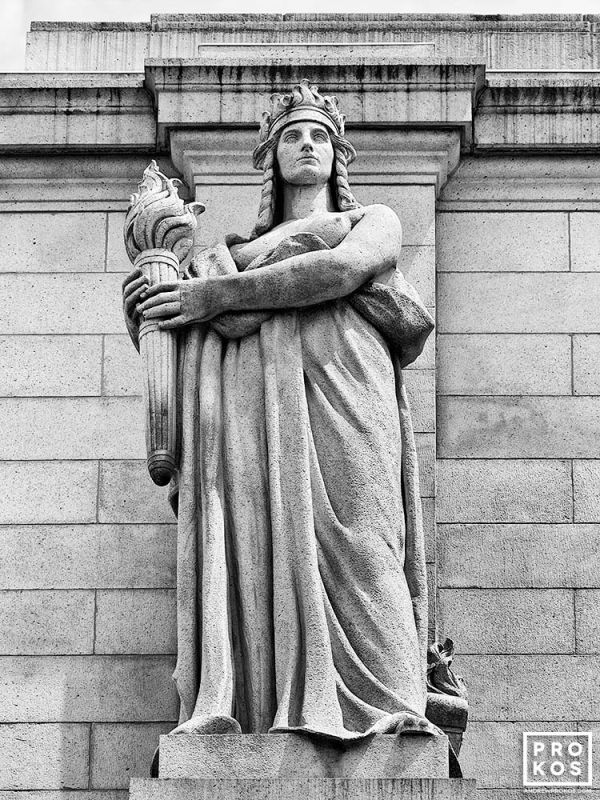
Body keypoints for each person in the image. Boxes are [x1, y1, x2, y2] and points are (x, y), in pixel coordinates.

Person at [122, 79, 436, 740]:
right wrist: (152, 309)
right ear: (271, 157)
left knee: (367, 539)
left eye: (319, 136)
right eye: (293, 135)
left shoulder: (369, 221)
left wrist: (217, 298)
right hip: (257, 408)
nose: (307, 145)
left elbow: (342, 270)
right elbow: (184, 333)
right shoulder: (223, 258)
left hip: (351, 389)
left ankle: (393, 705)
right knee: (261, 541)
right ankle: (267, 706)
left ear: (337, 154)